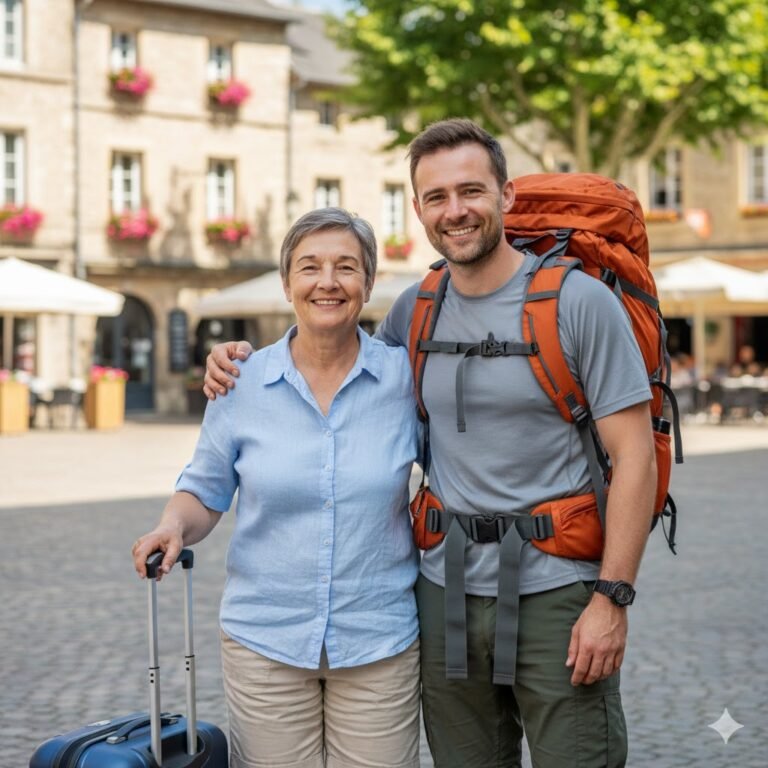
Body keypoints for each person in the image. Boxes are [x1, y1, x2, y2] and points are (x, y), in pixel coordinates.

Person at [204, 119, 656, 768]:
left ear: (507, 197)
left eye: (471, 191)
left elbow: (634, 457)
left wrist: (612, 599)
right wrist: (239, 361)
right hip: (442, 590)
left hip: (558, 589)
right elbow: (337, 367)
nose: (455, 211)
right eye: (436, 197)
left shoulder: (579, 305)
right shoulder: (415, 310)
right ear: (417, 210)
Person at [132, 208, 422, 768]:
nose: (327, 282)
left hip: (378, 639)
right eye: (309, 267)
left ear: (368, 283)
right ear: (287, 283)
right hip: (265, 639)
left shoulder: (405, 379)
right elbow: (205, 488)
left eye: (346, 267)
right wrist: (171, 525)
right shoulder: (241, 383)